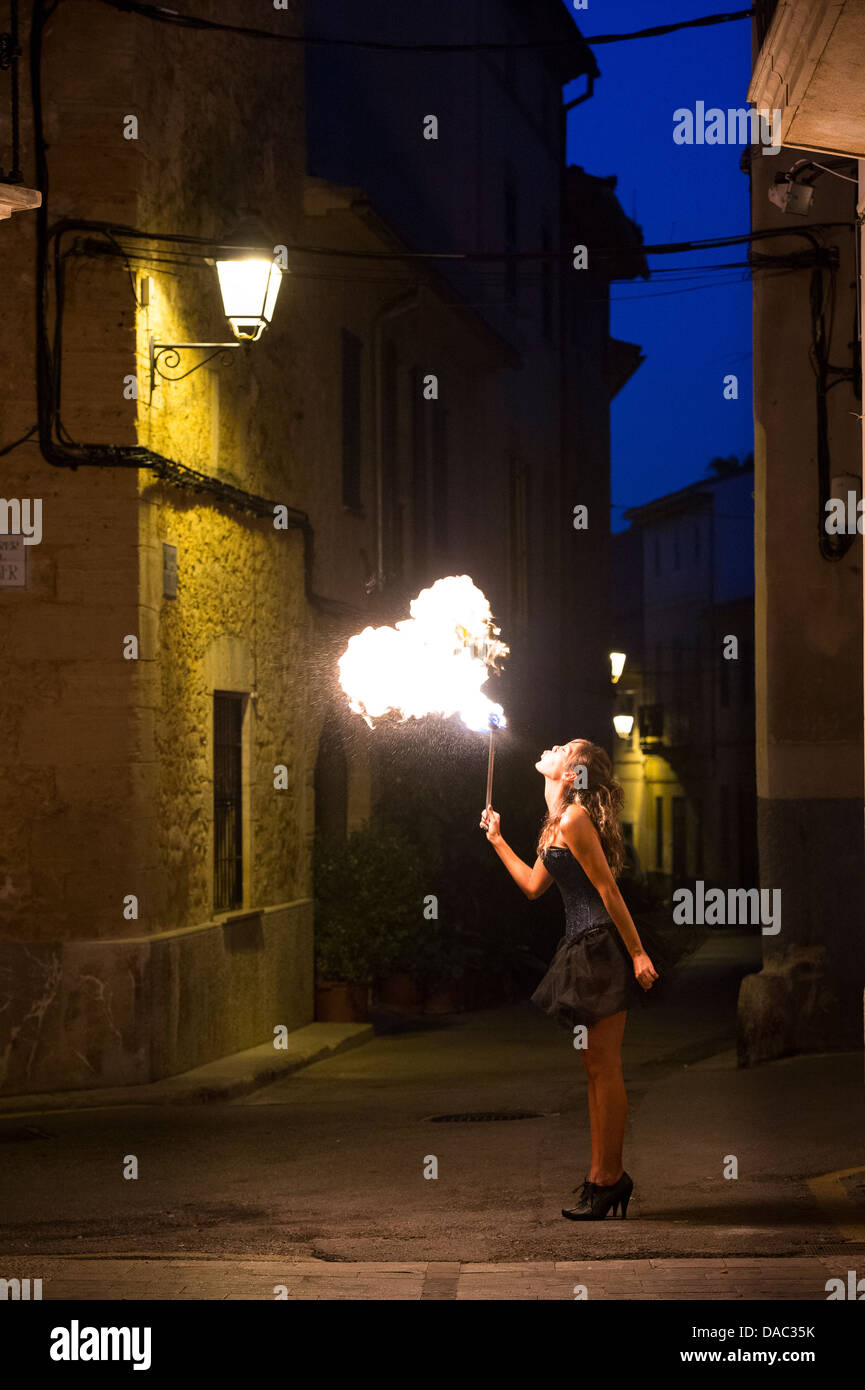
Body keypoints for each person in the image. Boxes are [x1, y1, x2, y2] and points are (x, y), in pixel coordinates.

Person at [480, 738, 657, 1222]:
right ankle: (601, 1176)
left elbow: (607, 889)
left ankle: (609, 1177)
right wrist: (498, 839)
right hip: (581, 949)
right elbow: (534, 887)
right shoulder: (557, 821)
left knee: (606, 1069)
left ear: (570, 772)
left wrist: (638, 953)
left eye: (564, 748)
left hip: (600, 946)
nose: (552, 746)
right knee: (593, 1071)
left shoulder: (575, 819)